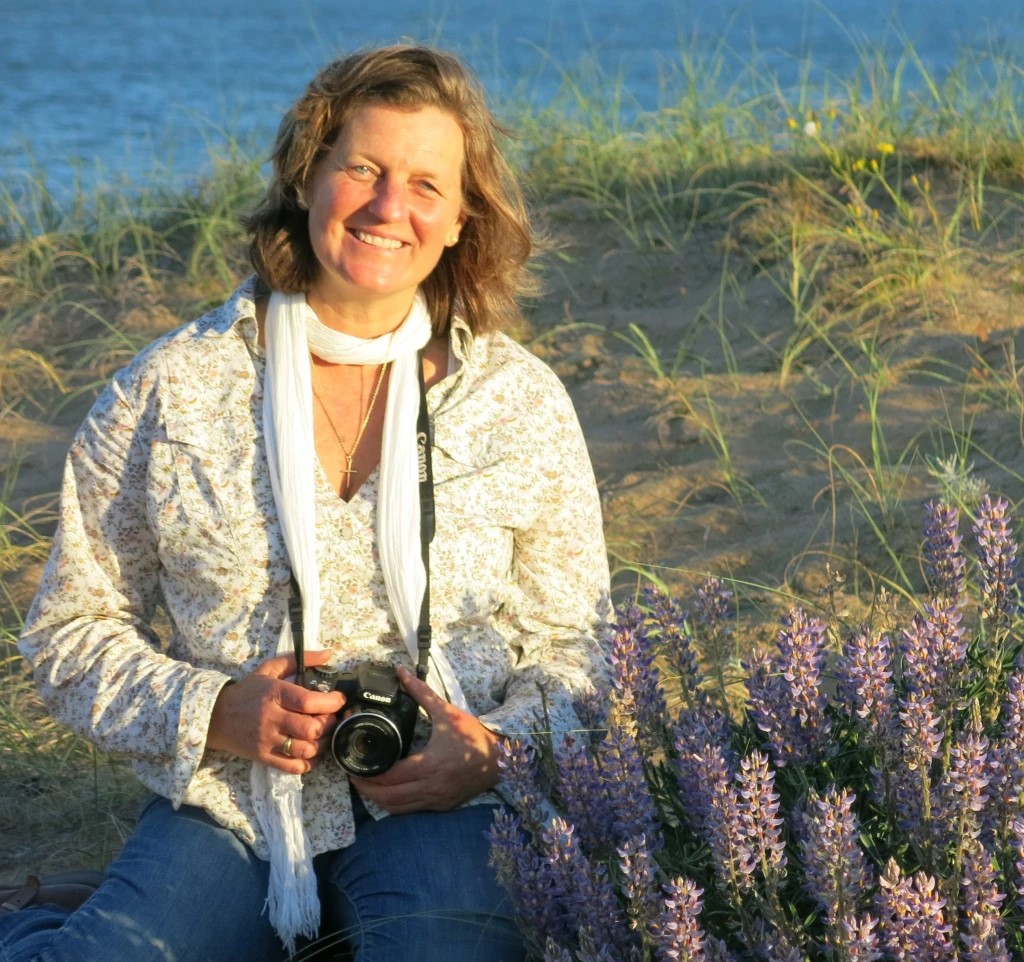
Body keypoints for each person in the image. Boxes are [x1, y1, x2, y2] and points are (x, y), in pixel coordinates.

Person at [2, 44, 610, 962]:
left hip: (449, 802)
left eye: (424, 186)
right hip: (232, 800)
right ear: (307, 178)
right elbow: (68, 631)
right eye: (361, 168)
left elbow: (582, 647)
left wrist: (490, 751)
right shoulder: (170, 388)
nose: (386, 208)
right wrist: (211, 711)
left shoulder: (519, 402)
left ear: (459, 221)